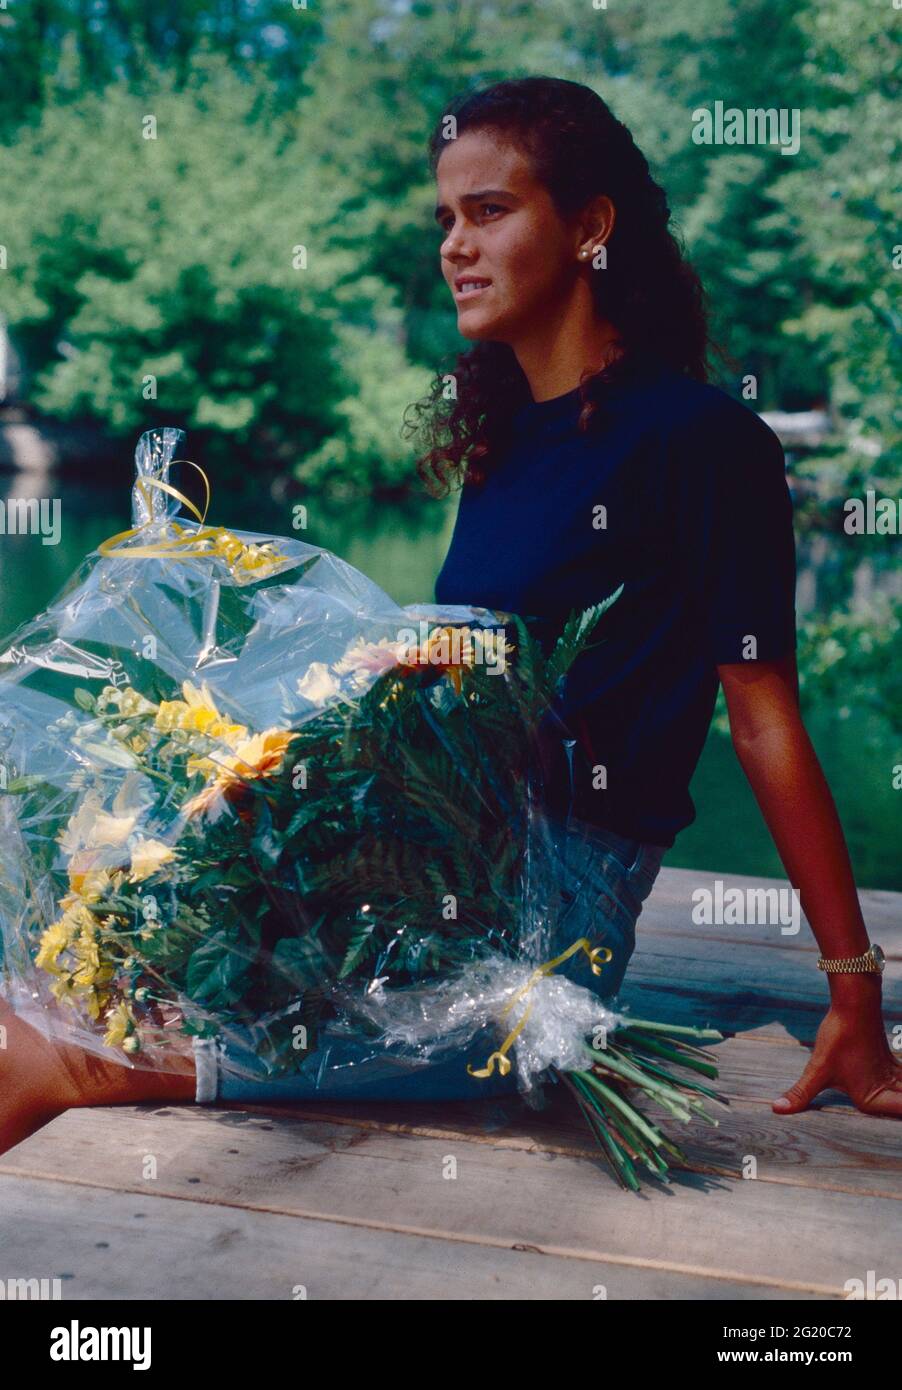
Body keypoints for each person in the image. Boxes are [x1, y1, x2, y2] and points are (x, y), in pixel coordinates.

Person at [0, 77, 897, 1158]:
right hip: (405, 866)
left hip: (541, 936)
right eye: (444, 219)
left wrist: (852, 988)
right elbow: (470, 689)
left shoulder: (706, 444)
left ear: (588, 228)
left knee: (57, 1053)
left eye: (489, 210)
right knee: (57, 978)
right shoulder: (501, 442)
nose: (453, 245)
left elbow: (761, 720)